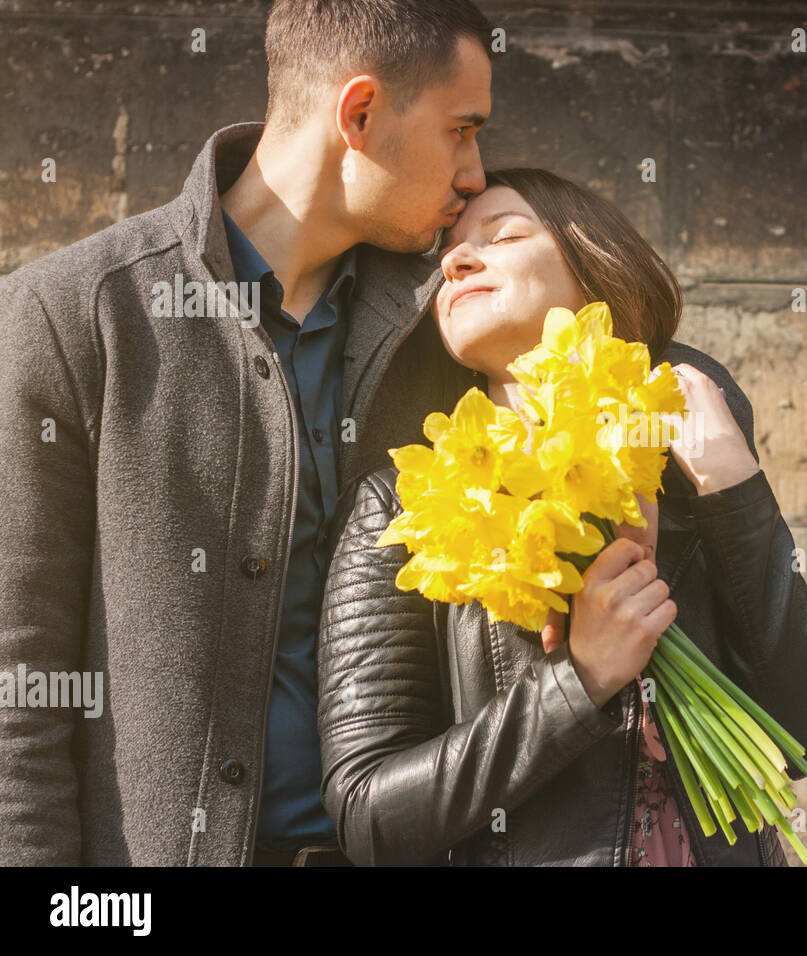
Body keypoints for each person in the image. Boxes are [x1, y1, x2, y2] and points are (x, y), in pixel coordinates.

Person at [0, 0, 497, 866]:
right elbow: (18, 681)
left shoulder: (451, 332)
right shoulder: (74, 312)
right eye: (461, 130)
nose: (476, 174)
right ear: (360, 113)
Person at [317, 168, 807, 866]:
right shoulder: (401, 505)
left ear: (597, 267)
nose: (455, 260)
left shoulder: (691, 472)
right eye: (444, 257)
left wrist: (733, 482)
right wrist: (580, 680)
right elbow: (369, 817)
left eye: (504, 233)